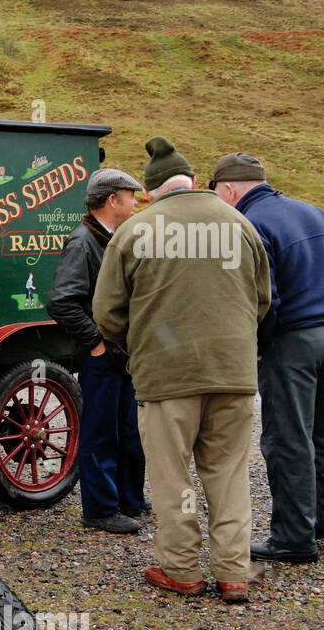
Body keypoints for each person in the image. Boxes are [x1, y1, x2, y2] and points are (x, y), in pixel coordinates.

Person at [92, 137, 271, 602]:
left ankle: (183, 571)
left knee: (173, 478)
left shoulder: (135, 230)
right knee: (229, 474)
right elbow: (263, 300)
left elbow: (107, 312)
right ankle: (234, 572)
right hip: (232, 374)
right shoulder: (240, 224)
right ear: (193, 182)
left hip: (165, 377)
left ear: (151, 192)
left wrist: (139, 343)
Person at [209, 153, 324, 563]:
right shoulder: (315, 213)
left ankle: (294, 538)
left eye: (218, 195)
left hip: (292, 341)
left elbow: (266, 297)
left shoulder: (251, 223)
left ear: (230, 189)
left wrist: (260, 341)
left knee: (288, 438)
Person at [46, 167, 147, 535]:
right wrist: (97, 344)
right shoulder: (83, 242)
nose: (136, 202)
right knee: (101, 431)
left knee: (128, 429)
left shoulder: (110, 239)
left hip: (123, 357)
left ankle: (129, 499)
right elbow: (61, 301)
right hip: (103, 358)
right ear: (112, 200)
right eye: (130, 195)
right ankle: (100, 510)